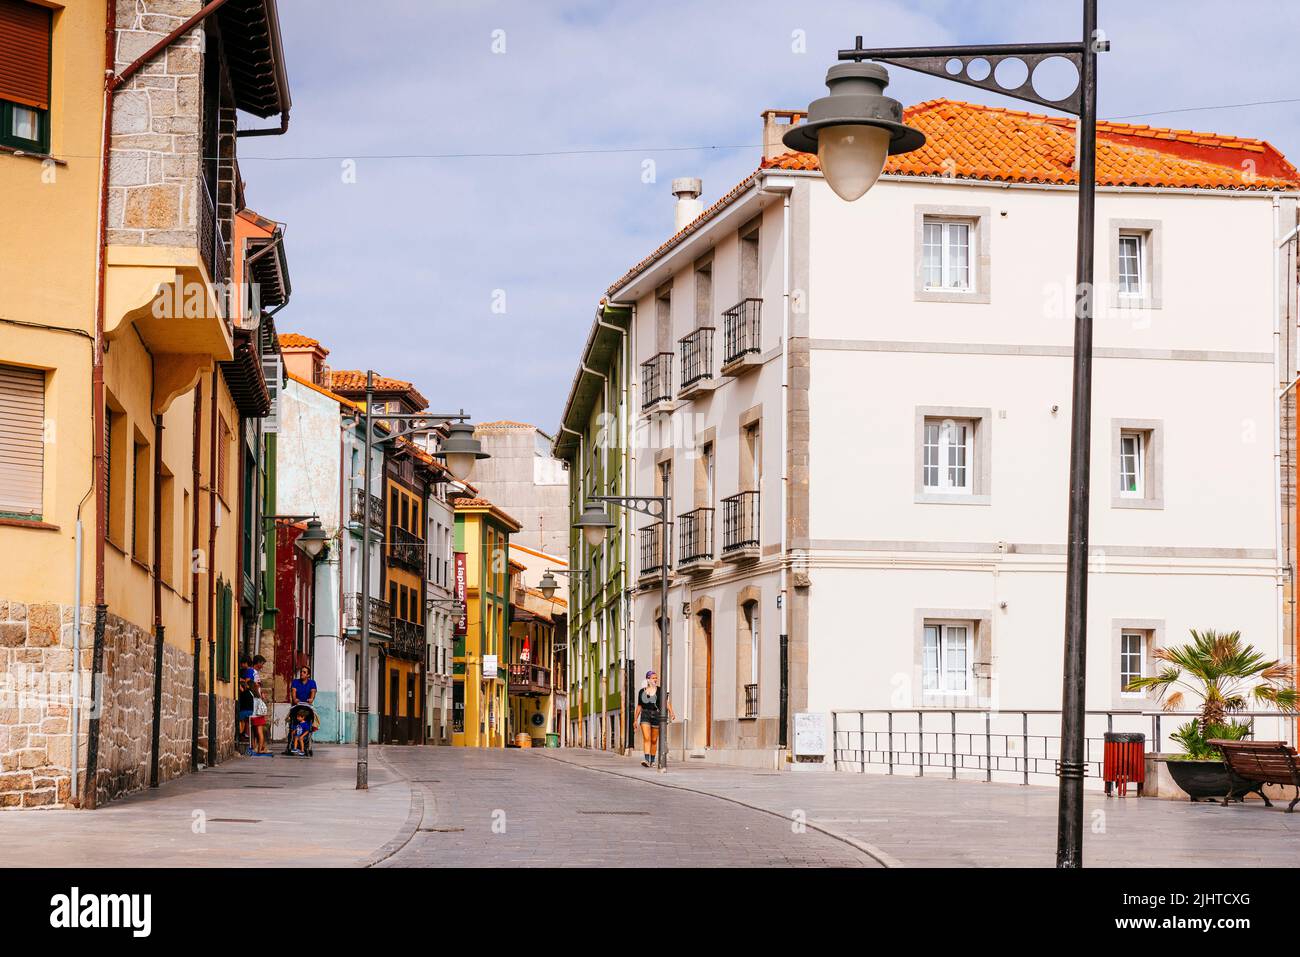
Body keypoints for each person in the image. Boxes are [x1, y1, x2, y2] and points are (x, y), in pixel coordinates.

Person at [633, 670, 674, 769]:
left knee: (654, 740)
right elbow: (639, 706)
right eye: (653, 678)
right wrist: (635, 720)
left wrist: (671, 712)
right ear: (648, 679)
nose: (655, 680)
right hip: (645, 715)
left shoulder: (660, 690)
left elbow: (665, 702)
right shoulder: (642, 692)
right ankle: (646, 760)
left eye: (656, 678)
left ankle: (652, 760)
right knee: (647, 738)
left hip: (657, 715)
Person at [249, 655, 270, 755]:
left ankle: (256, 747)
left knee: (254, 729)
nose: (262, 666)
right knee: (259, 729)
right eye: (262, 663)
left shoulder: (252, 672)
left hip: (254, 705)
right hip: (256, 705)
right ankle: (260, 748)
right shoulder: (254, 673)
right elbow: (256, 686)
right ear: (258, 662)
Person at [236, 654, 254, 744]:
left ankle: (243, 734)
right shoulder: (243, 670)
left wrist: (241, 680)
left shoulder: (249, 671)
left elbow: (247, 683)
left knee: (244, 717)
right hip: (244, 697)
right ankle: (243, 734)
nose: (242, 665)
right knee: (244, 718)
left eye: (244, 663)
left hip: (247, 697)